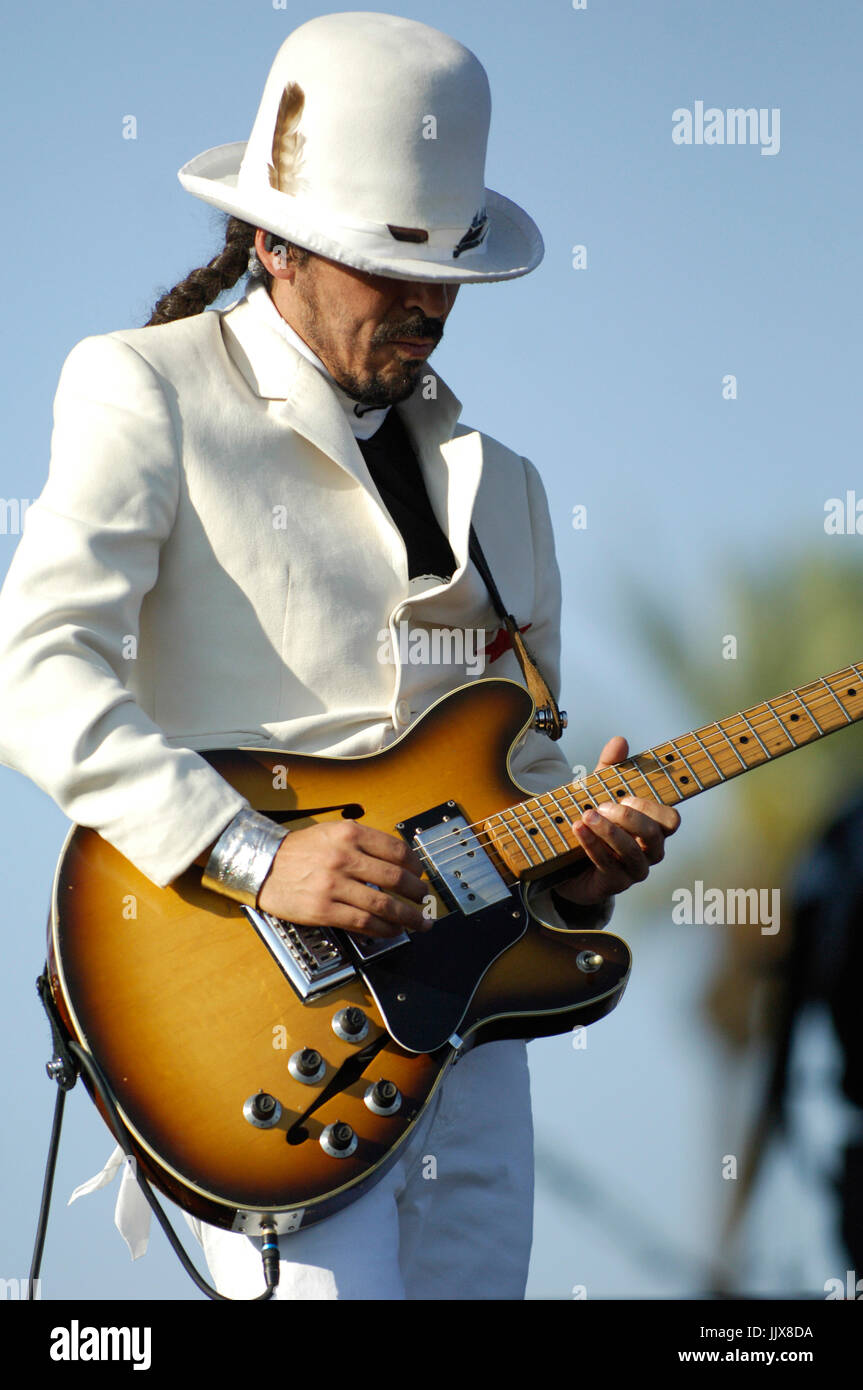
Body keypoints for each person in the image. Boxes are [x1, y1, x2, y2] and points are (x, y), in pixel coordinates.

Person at [0, 12, 679, 1299]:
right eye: (388, 268)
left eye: (447, 274)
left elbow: (521, 779)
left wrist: (587, 876)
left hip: (472, 1041)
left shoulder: (512, 491)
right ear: (276, 243)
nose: (428, 304)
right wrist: (260, 857)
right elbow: (32, 671)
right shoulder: (141, 386)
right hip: (262, 1020)